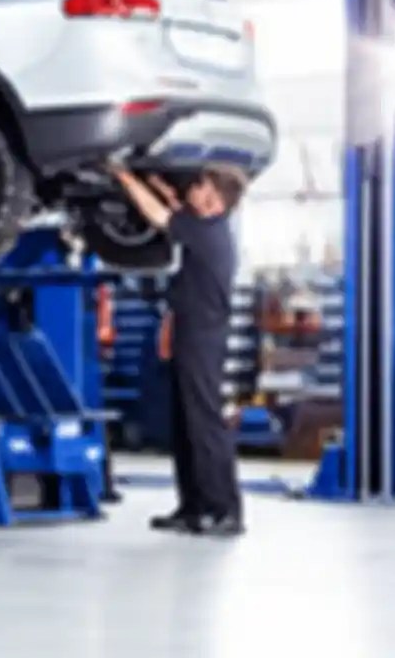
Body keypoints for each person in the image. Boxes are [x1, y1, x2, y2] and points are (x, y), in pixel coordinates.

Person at [108, 161, 248, 537]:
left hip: (203, 338)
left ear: (214, 201)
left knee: (205, 424)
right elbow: (172, 207)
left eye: (201, 187)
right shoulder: (205, 226)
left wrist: (122, 176)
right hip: (190, 331)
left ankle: (225, 511)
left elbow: (159, 217)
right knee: (185, 424)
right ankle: (193, 507)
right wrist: (152, 180)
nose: (194, 190)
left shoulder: (210, 232)